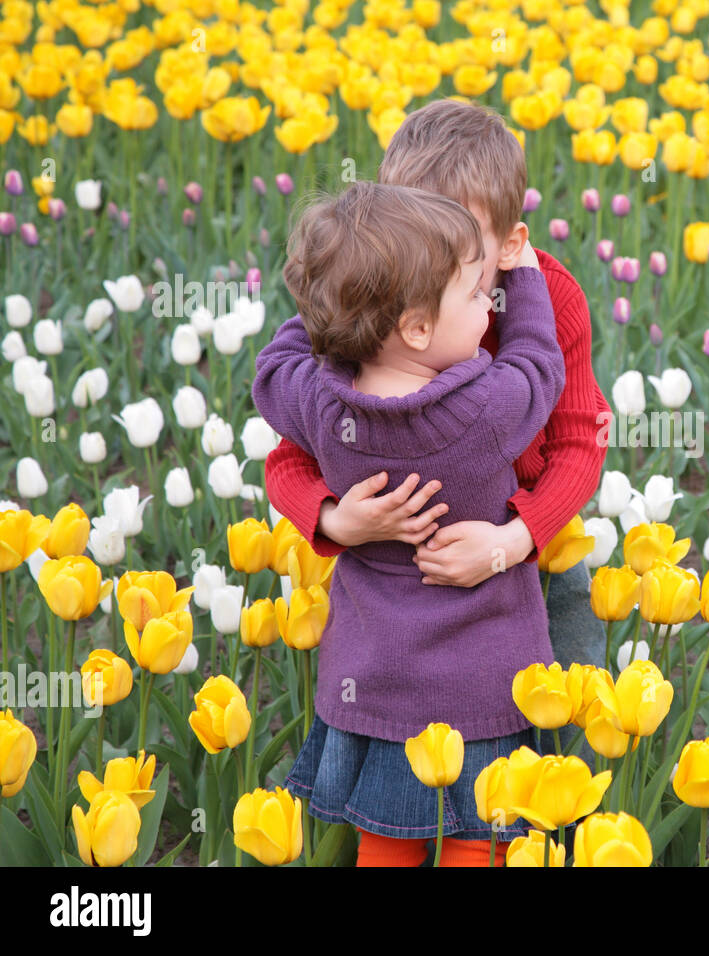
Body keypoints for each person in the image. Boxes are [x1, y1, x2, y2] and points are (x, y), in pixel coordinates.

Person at [262, 99, 609, 781]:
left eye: (460, 241)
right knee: (395, 736)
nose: (427, 257)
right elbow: (291, 455)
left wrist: (515, 541)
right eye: (414, 228)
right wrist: (339, 520)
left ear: (511, 245)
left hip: (530, 548)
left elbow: (578, 441)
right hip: (395, 561)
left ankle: (565, 832)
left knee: (567, 708)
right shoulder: (377, 290)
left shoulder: (550, 298)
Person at [252, 180, 564, 867]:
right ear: (419, 328)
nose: (491, 303)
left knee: (383, 840)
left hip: (375, 684)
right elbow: (542, 365)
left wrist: (332, 299)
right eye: (478, 294)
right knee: (475, 839)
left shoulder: (318, 403)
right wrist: (532, 279)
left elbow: (272, 369)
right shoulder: (485, 412)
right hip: (484, 685)